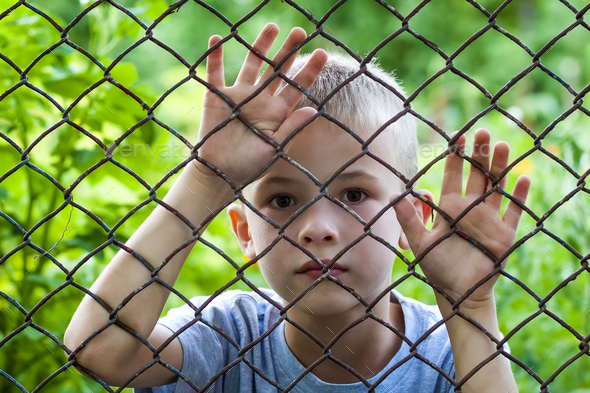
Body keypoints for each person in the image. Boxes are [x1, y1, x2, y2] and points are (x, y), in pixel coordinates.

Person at [64, 23, 530, 393]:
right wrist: (206, 178)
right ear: (245, 231)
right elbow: (99, 348)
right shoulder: (226, 337)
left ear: (413, 219)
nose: (318, 229)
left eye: (354, 195)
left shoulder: (454, 354)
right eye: (283, 200)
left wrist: (470, 306)